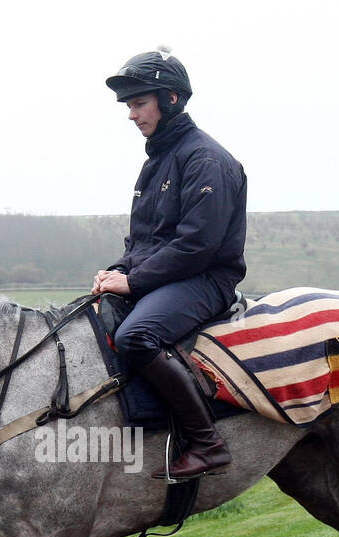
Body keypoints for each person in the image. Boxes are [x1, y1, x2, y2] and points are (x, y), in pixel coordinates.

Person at [95, 47, 248, 480]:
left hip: (206, 278)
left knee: (137, 336)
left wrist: (133, 281)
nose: (131, 114)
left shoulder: (207, 160)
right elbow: (143, 240)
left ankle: (206, 442)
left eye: (139, 103)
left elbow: (196, 246)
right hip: (169, 276)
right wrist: (116, 271)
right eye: (129, 105)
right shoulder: (157, 160)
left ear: (171, 99)